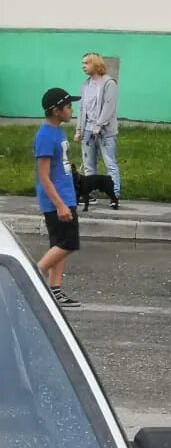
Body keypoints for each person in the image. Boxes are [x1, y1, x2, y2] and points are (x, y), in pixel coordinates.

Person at [35, 88, 82, 309]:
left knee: (59, 244)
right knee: (68, 242)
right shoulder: (45, 136)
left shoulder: (58, 132)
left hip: (66, 196)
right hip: (57, 200)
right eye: (68, 106)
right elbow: (43, 176)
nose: (71, 109)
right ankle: (34, 277)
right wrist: (60, 204)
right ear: (56, 110)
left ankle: (55, 291)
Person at [75, 51, 121, 202]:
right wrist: (79, 130)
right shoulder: (85, 85)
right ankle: (90, 194)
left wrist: (99, 125)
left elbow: (109, 106)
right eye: (82, 64)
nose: (83, 66)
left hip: (105, 132)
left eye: (86, 63)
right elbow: (82, 109)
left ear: (96, 64)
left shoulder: (109, 83)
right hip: (88, 130)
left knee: (110, 163)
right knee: (89, 165)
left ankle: (114, 195)